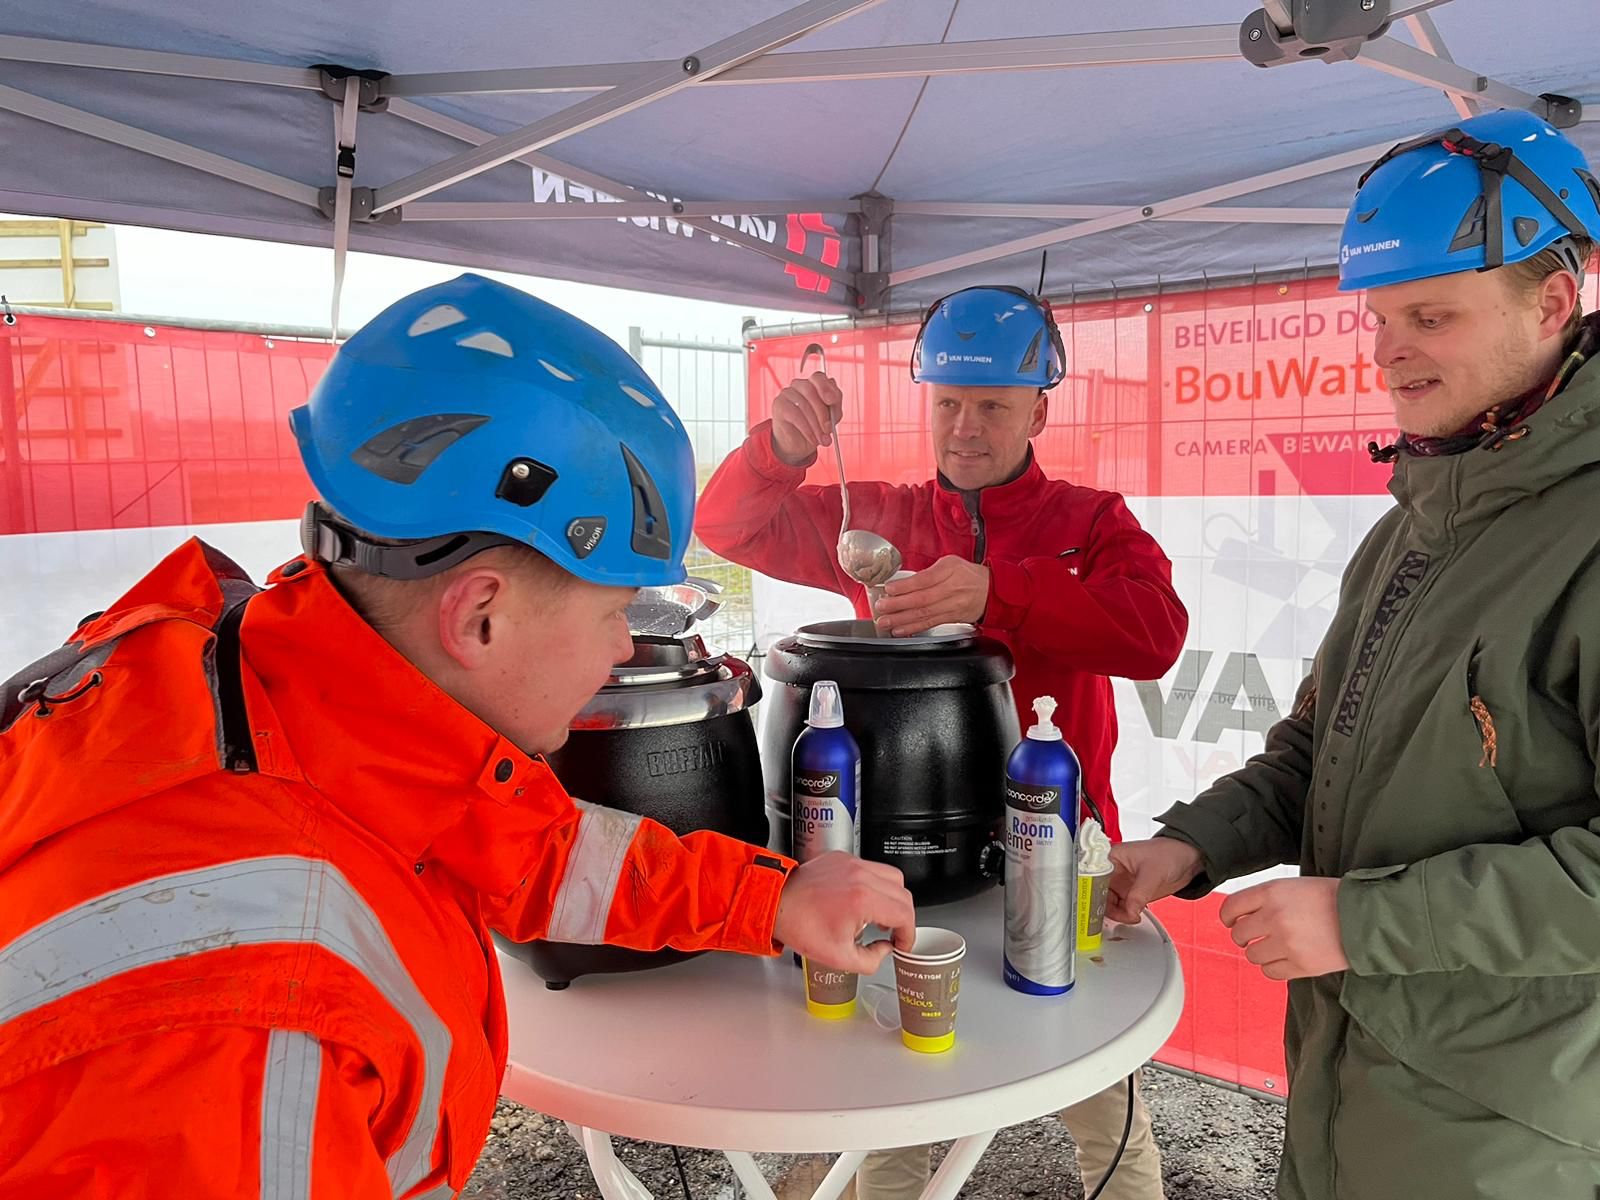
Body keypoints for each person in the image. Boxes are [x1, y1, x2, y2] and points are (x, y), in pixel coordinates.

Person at [0, 274, 915, 1197]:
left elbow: (531, 850)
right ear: (480, 615)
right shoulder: (255, 1031)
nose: (619, 650)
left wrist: (774, 899)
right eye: (612, 613)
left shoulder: (274, 679)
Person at [1108, 107, 1600, 1199]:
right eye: (1380, 317)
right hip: (1346, 1091)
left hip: (1508, 1136)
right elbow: (1310, 754)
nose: (1389, 351)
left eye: (1430, 313)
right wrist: (1188, 848)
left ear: (1554, 303)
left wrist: (1363, 917)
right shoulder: (1408, 526)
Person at [697, 284, 1188, 1200]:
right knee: (901, 1088)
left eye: (993, 407)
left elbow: (1156, 634)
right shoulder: (876, 516)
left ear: (1040, 407)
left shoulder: (1089, 522)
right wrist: (782, 449)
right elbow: (726, 527)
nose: (965, 427)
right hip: (903, 861)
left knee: (1102, 1102)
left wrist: (997, 592)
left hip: (1058, 856)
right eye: (949, 404)